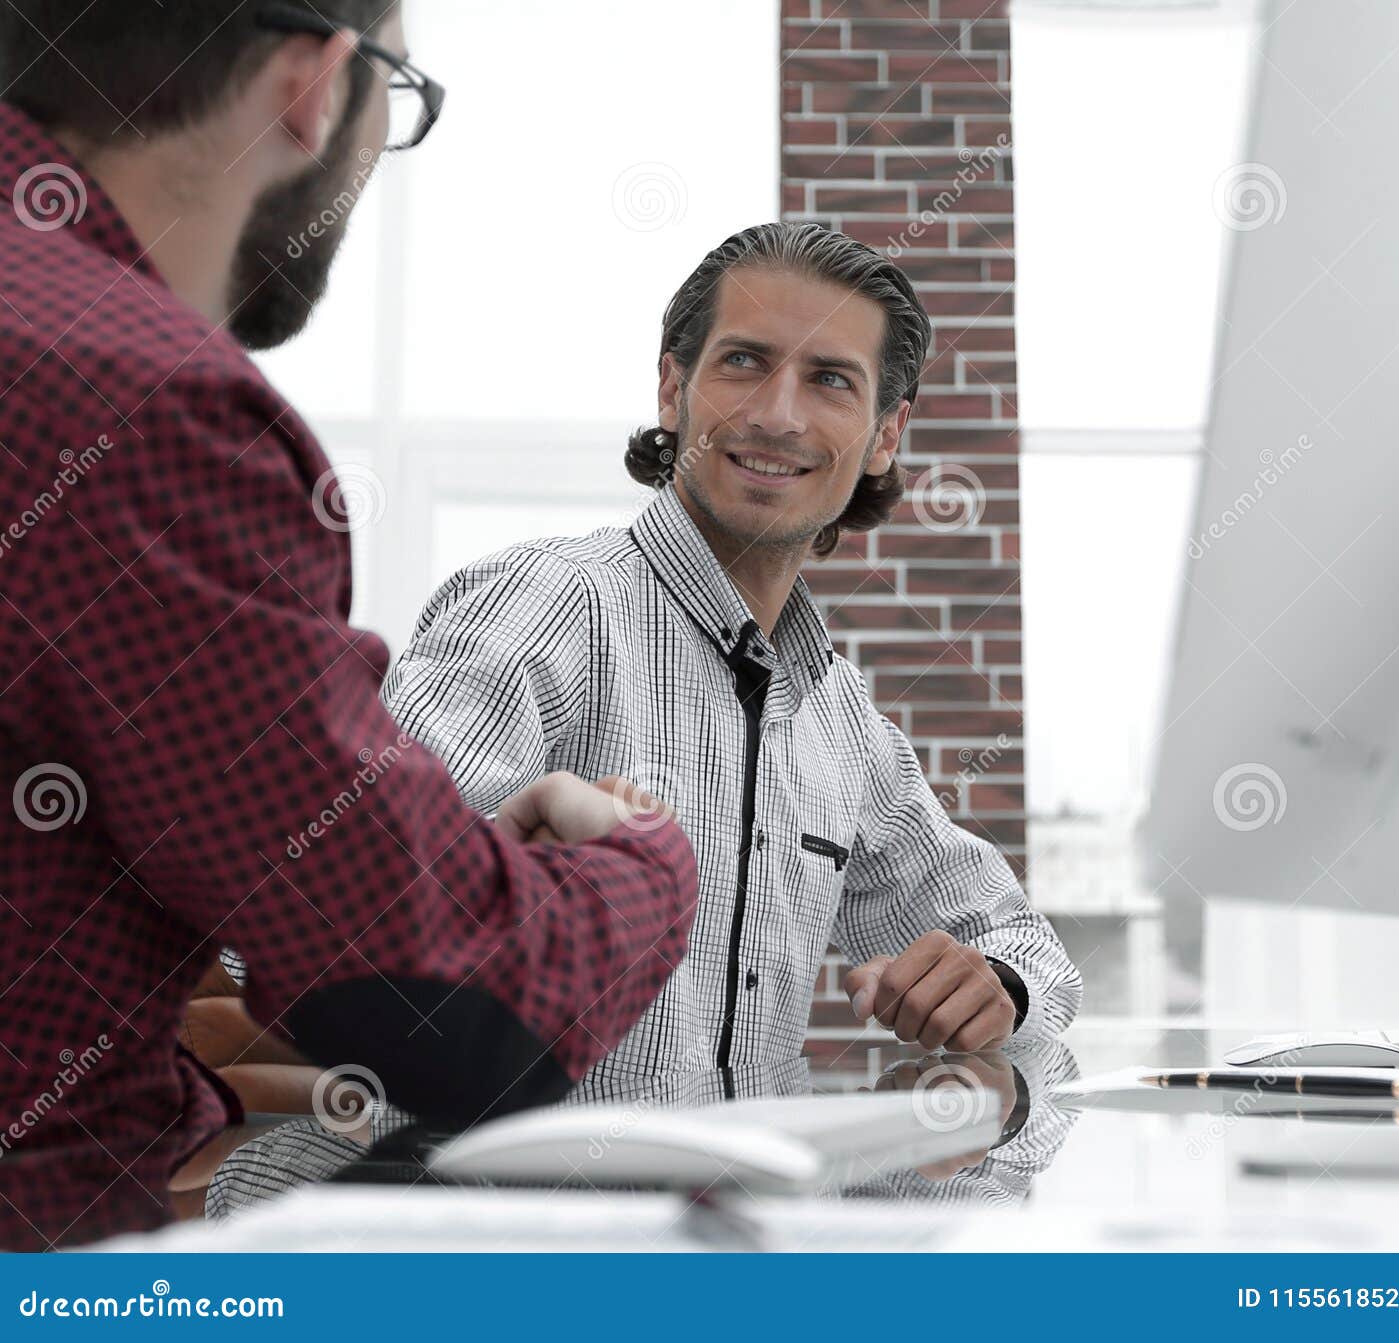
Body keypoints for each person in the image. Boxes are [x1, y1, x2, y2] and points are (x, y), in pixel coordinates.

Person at [0, 0, 697, 1251]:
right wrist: (643, 854)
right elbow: (456, 1008)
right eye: (399, 101)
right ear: (314, 86)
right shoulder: (144, 406)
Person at [382, 222, 1082, 1088]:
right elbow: (354, 908)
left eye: (830, 379)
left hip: (744, 1218)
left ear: (884, 435)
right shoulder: (543, 608)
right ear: (673, 390)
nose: (778, 414)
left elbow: (1023, 943)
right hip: (504, 1217)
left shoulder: (839, 719)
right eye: (744, 362)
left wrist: (997, 985)